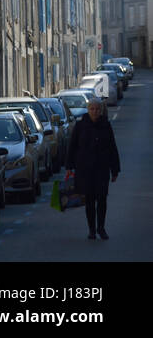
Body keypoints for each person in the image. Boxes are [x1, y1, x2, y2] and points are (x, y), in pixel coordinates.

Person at [65, 97, 120, 240]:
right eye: (92, 109)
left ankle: (101, 228)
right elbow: (72, 147)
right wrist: (69, 166)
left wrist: (115, 170)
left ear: (101, 111)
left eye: (97, 109)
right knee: (89, 200)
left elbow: (112, 148)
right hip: (85, 170)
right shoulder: (80, 126)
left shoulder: (106, 125)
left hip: (102, 169)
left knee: (102, 199)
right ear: (88, 110)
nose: (94, 111)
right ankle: (91, 230)